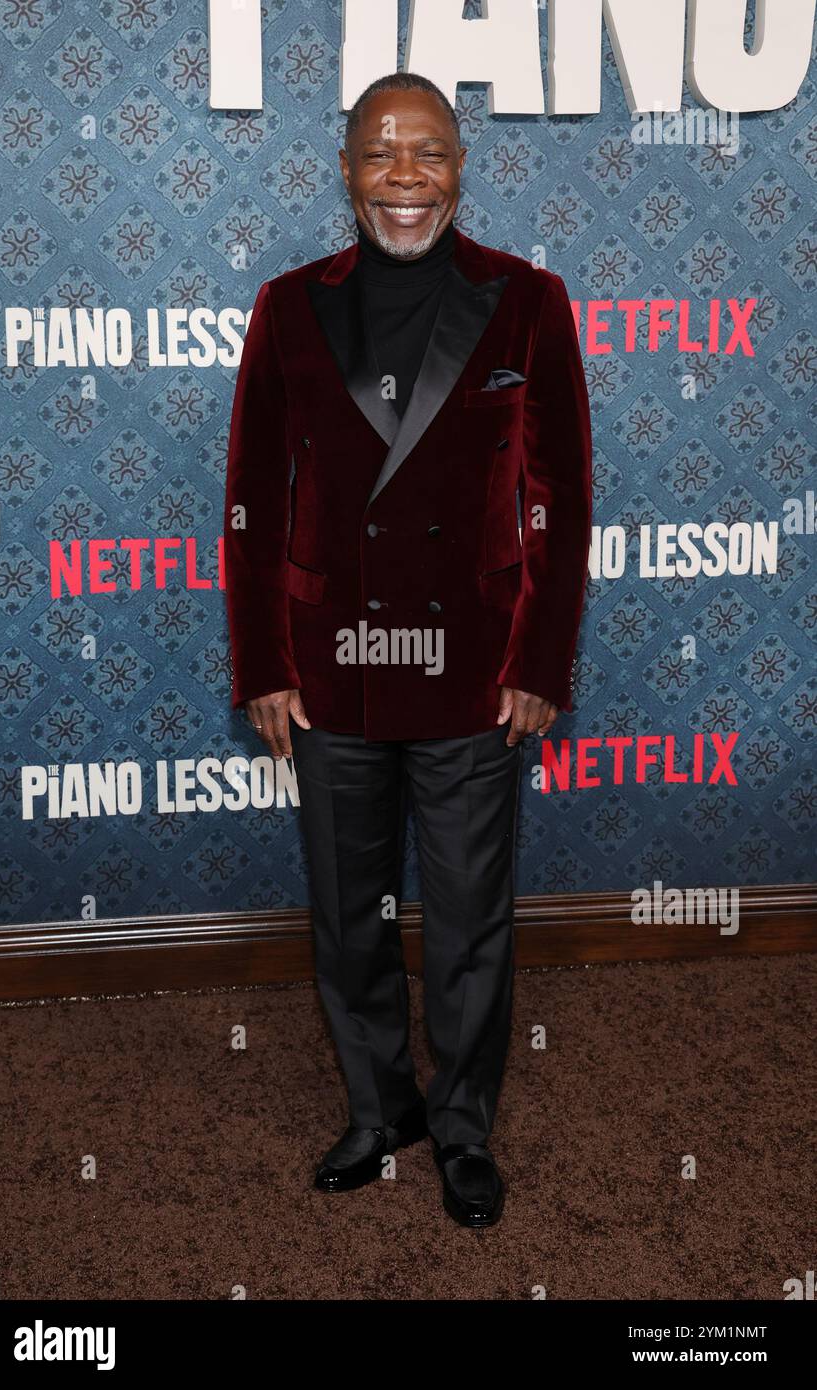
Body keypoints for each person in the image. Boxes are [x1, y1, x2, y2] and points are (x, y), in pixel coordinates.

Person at [224, 72, 593, 1228]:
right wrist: (261, 662)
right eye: (380, 153)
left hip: (476, 673)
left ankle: (466, 1128)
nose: (403, 175)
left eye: (426, 152)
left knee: (471, 914)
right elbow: (250, 497)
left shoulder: (526, 301)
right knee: (349, 912)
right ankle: (382, 1107)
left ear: (459, 165)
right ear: (344, 169)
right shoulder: (287, 307)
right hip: (331, 669)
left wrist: (537, 659)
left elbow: (561, 496)